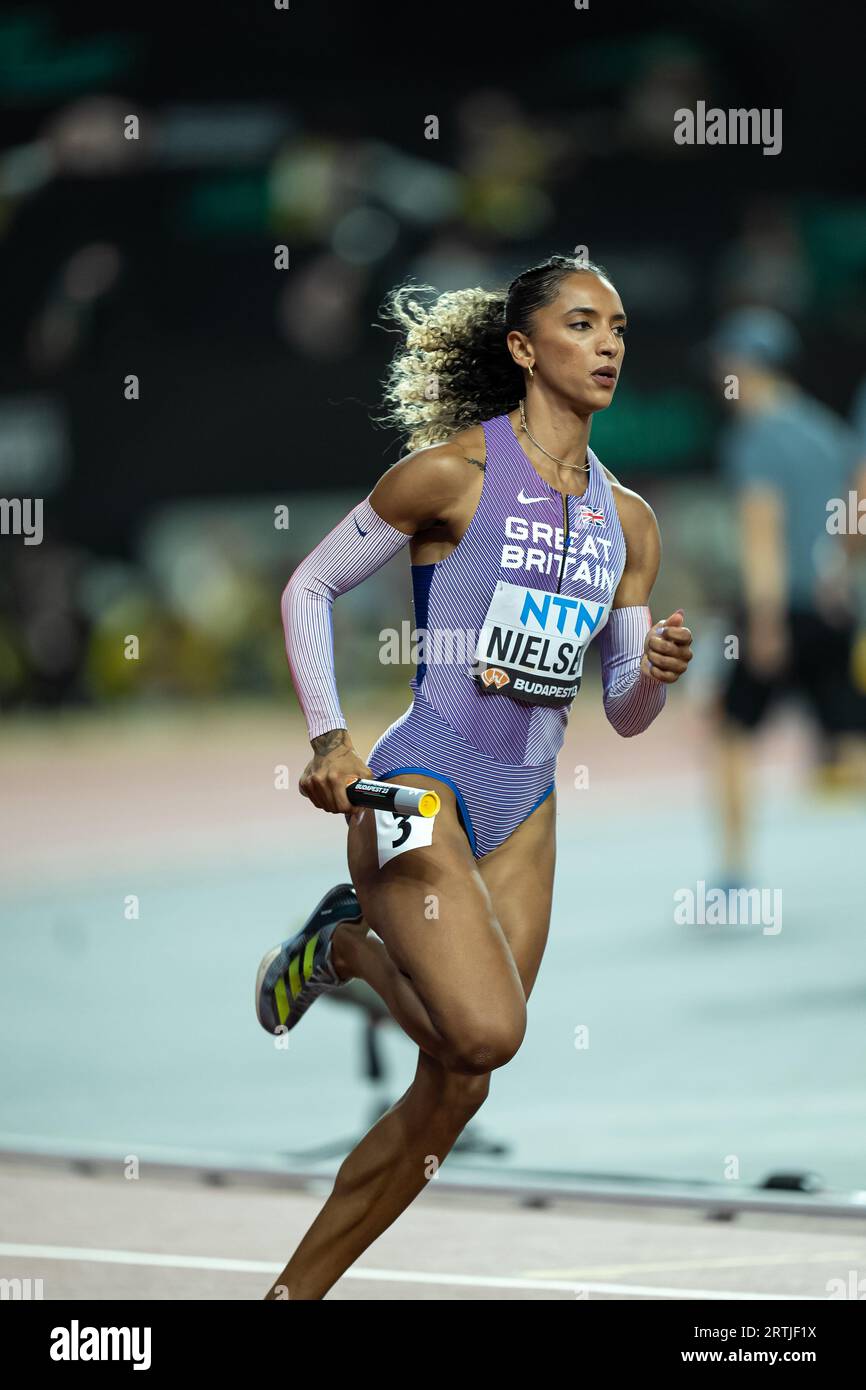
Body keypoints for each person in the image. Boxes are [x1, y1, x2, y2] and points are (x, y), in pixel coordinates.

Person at [257, 253, 693, 1300]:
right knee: (491, 1027)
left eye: (619, 329)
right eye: (582, 324)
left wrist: (655, 674)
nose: (607, 346)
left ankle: (287, 1297)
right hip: (420, 785)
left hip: (525, 803)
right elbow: (309, 583)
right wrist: (329, 741)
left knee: (460, 1078)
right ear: (520, 346)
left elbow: (624, 711)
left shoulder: (627, 521)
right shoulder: (449, 476)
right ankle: (349, 943)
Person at [710, 307, 866, 888]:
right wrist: (838, 573)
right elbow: (858, 511)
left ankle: (733, 871)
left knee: (730, 734)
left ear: (740, 366)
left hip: (781, 608)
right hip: (832, 605)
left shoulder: (754, 437)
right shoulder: (828, 431)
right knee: (848, 744)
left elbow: (762, 534)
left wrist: (765, 620)